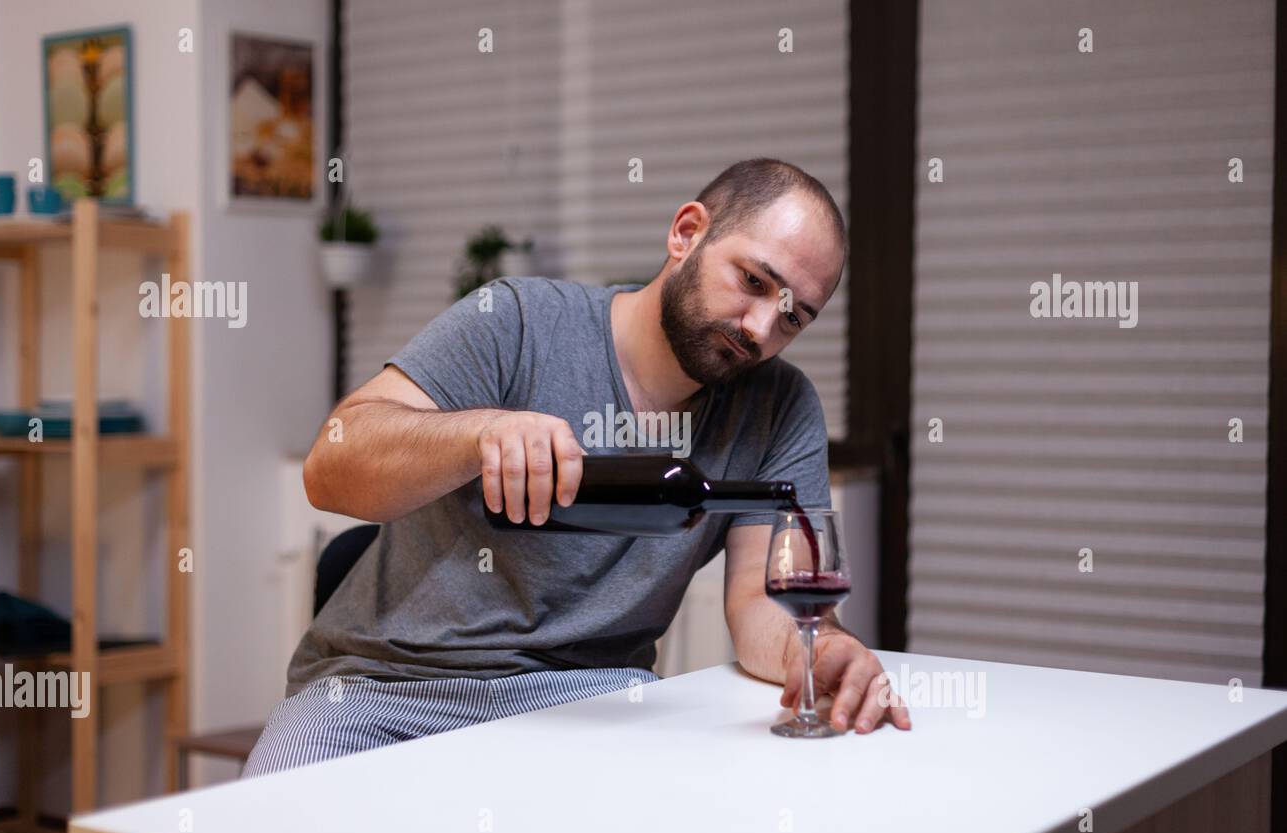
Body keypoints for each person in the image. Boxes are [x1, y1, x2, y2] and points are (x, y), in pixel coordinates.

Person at [242, 157, 910, 778]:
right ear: (685, 234)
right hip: (378, 689)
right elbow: (330, 465)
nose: (762, 328)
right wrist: (479, 433)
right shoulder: (516, 321)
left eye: (794, 315)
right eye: (755, 282)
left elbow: (761, 603)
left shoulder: (780, 406)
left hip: (592, 698)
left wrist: (817, 651)